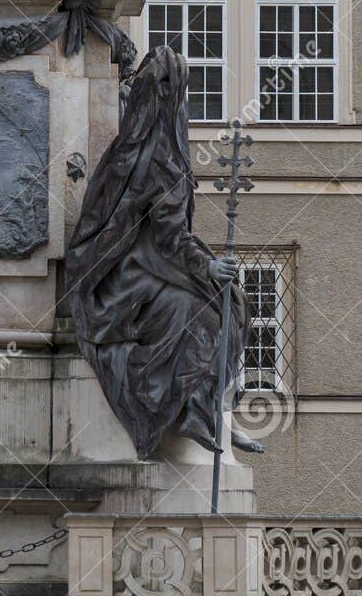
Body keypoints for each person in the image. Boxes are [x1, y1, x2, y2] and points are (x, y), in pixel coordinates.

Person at [66, 46, 265, 459]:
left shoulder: (126, 148)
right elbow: (170, 238)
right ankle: (199, 407)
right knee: (222, 308)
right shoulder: (163, 158)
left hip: (113, 277)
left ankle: (207, 409)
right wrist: (207, 265)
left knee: (218, 303)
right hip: (127, 285)